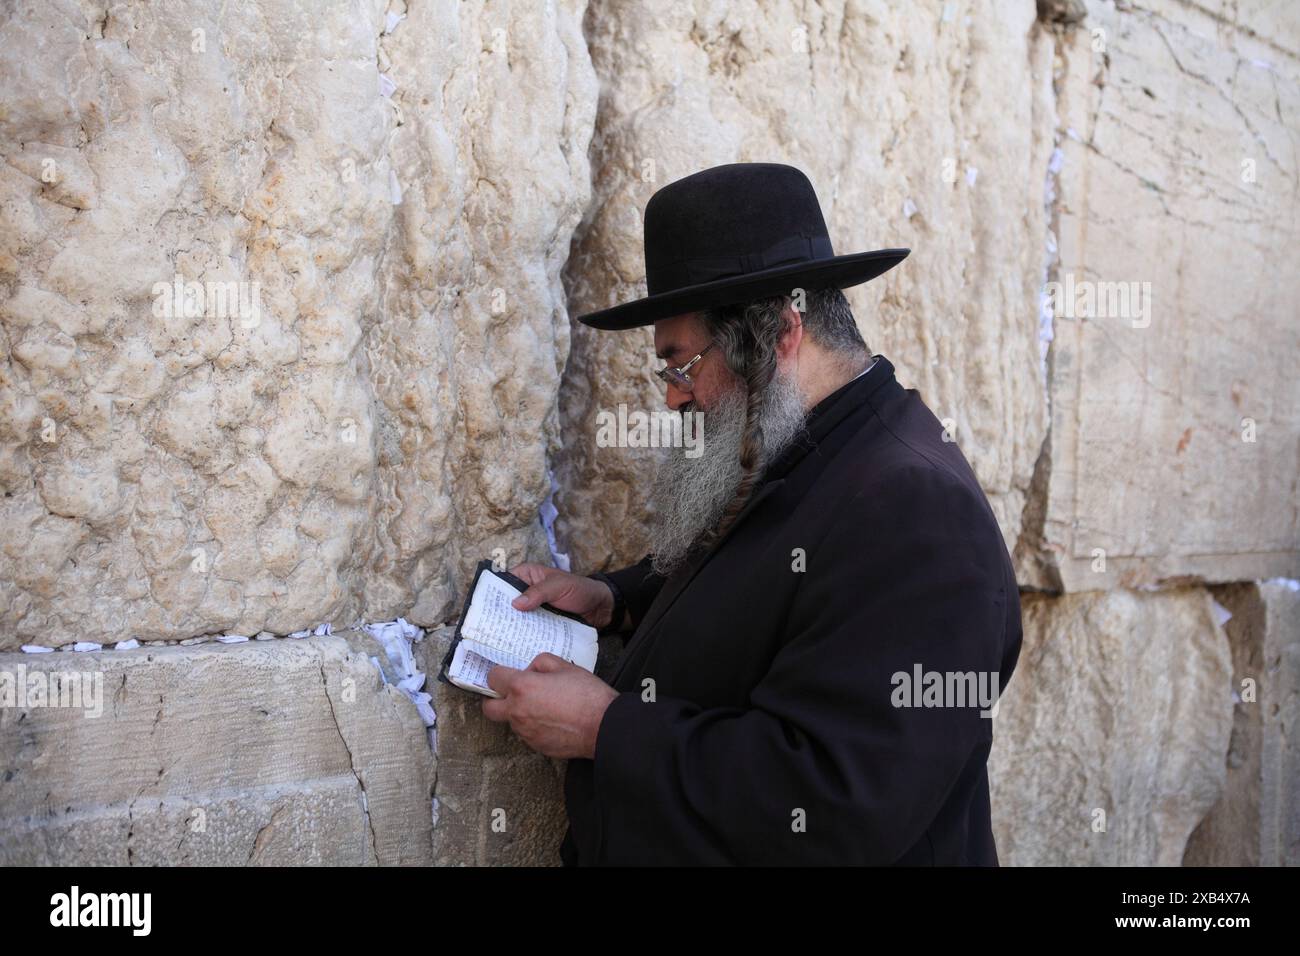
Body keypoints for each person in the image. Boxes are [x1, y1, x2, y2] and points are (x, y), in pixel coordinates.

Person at [479, 163, 1022, 865]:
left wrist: (604, 729)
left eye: (683, 364)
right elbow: (779, 586)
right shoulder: (801, 445)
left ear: (781, 333)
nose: (675, 398)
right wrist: (619, 601)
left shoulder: (917, 511)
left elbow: (833, 800)